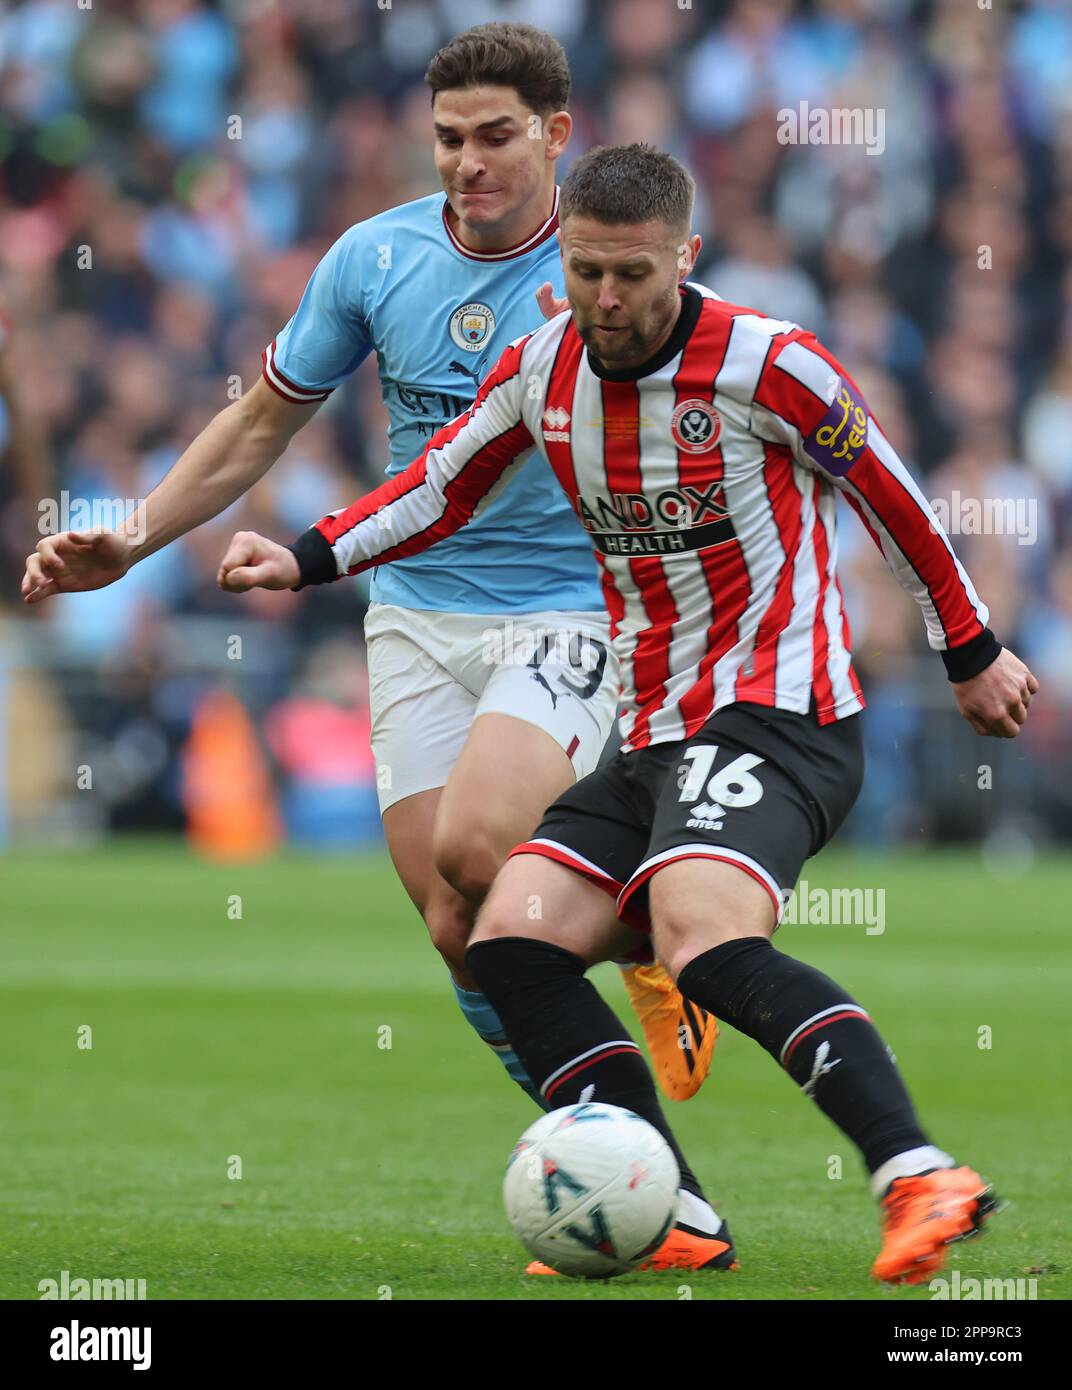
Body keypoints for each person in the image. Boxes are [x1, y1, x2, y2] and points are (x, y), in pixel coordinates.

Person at [215, 142, 1039, 1283]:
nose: (606, 299)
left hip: (777, 714)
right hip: (652, 730)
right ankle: (672, 1209)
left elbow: (890, 494)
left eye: (633, 276)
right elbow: (441, 484)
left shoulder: (769, 364)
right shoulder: (542, 366)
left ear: (682, 258)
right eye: (588, 270)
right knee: (506, 937)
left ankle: (916, 1172)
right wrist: (304, 558)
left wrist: (970, 648)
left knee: (702, 940)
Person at [20, 26, 730, 1270]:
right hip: (411, 610)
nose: (467, 161)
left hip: (571, 605)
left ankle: (667, 938)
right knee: (462, 925)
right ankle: (658, 1193)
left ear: (557, 134)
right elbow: (257, 427)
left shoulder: (600, 268)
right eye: (449, 137)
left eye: (495, 136)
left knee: (480, 846)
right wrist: (129, 539)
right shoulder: (373, 256)